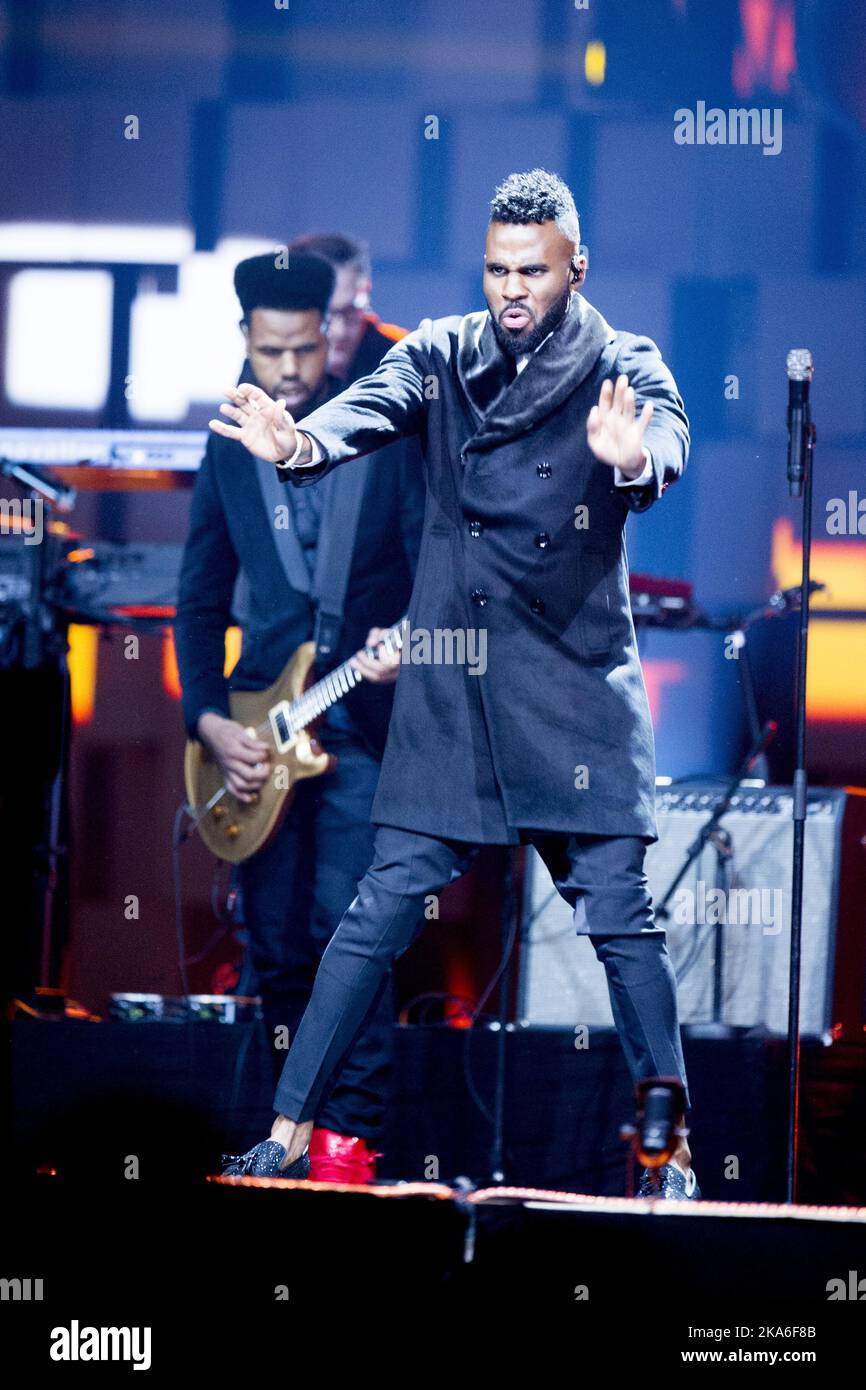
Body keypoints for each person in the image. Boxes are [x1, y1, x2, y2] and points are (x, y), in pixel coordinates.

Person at [211, 169, 698, 1200]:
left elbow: (663, 436)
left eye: (531, 269)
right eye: (495, 268)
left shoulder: (618, 362)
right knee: (375, 908)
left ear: (574, 267)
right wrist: (301, 443)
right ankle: (288, 1130)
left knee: (617, 918)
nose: (510, 287)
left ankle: (669, 1136)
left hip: (570, 694)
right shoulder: (439, 355)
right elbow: (365, 409)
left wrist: (631, 457)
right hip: (452, 689)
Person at [175, 250, 424, 1183]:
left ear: (329, 336)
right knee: (277, 942)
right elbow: (199, 603)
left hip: (360, 720)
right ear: (246, 340)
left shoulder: (381, 428)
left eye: (300, 348)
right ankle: (283, 1138)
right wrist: (208, 721)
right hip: (257, 730)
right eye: (268, 349)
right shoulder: (225, 442)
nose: (285, 369)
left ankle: (346, 1145)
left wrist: (415, 644)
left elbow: (436, 565)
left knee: (346, 929)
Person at [287, 231, 405, 380]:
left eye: (350, 313)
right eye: (324, 316)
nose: (339, 332)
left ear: (366, 290)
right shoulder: (258, 371)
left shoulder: (404, 358)